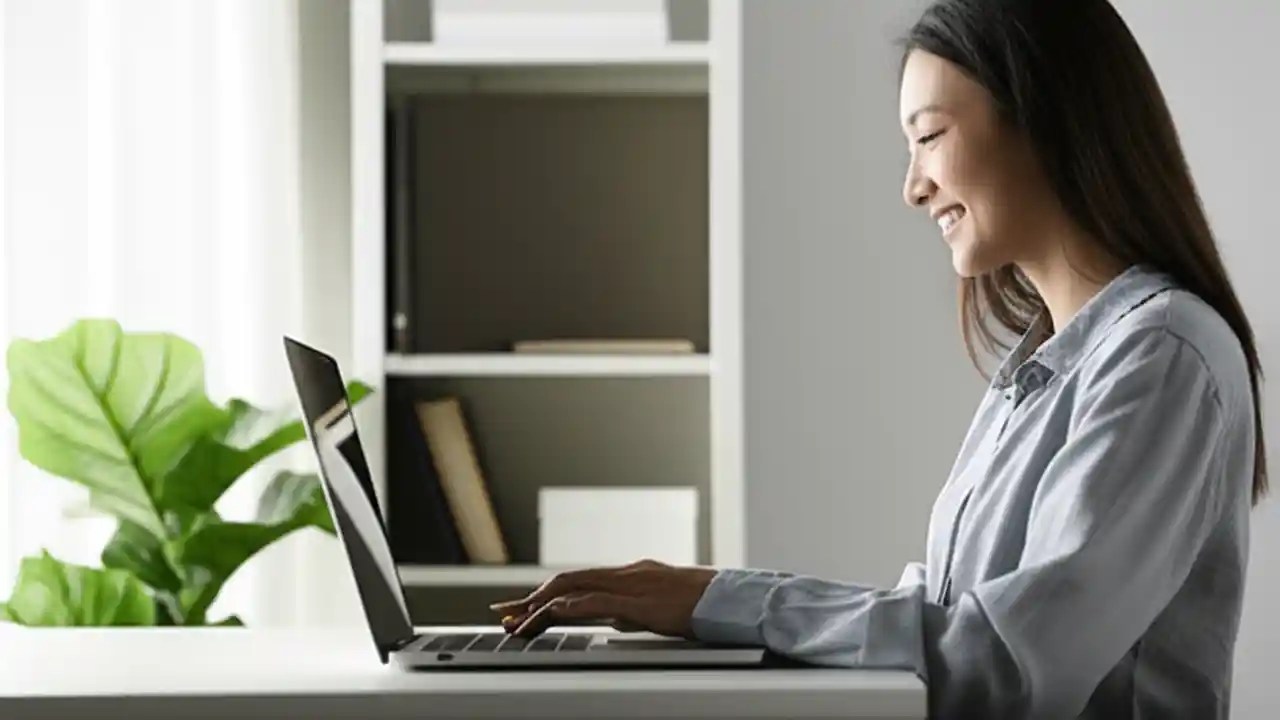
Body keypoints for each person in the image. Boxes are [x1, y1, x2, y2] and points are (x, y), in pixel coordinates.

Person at [488, 1, 1266, 717]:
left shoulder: (1161, 355)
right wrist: (707, 605)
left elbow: (1005, 665)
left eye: (928, 137)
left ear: (1045, 117)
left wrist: (715, 600)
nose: (913, 187)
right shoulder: (1043, 370)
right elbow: (948, 621)